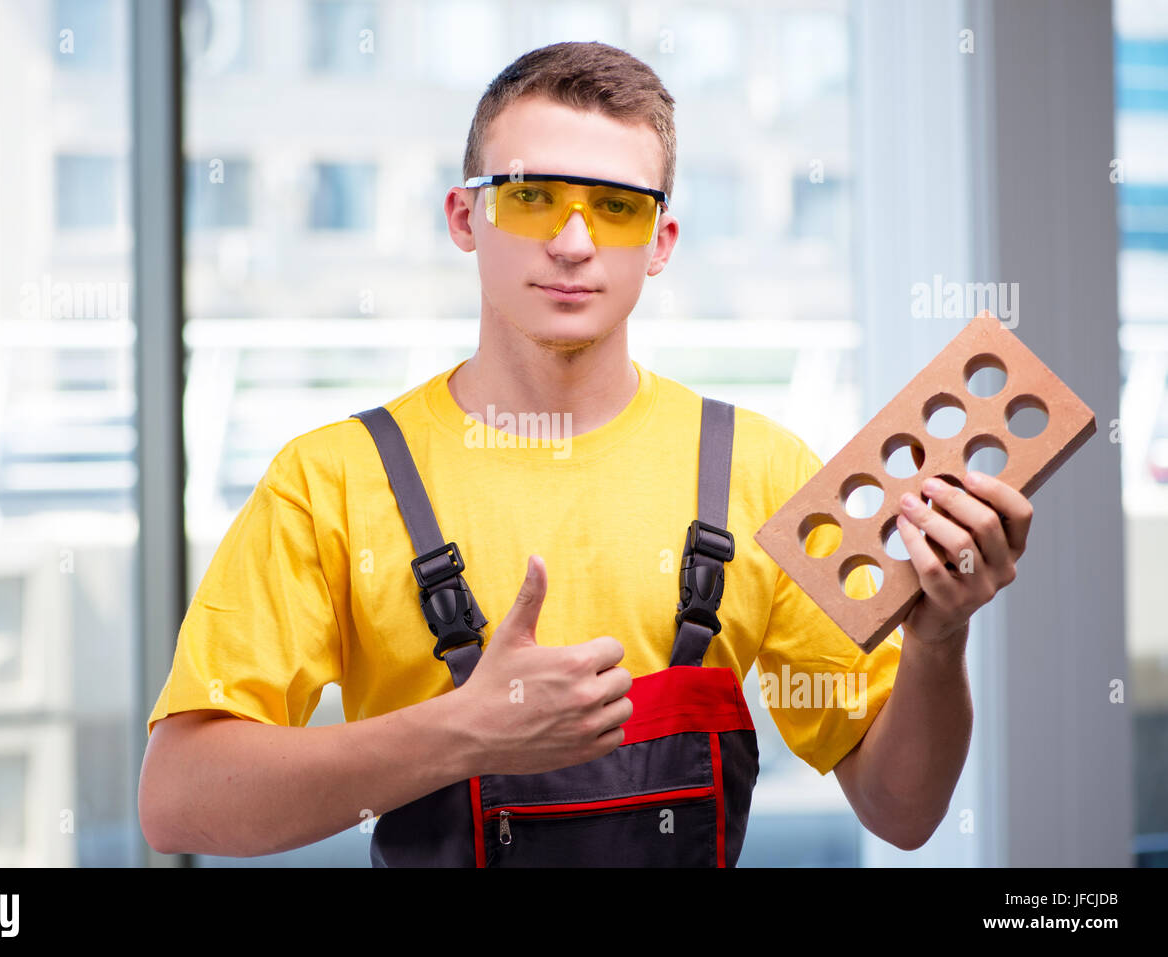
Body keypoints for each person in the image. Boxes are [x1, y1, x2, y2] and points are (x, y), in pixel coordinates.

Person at [137, 41, 1033, 861]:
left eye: (614, 209)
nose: (572, 242)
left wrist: (938, 641)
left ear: (661, 243)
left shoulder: (760, 474)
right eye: (532, 197)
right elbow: (179, 800)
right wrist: (466, 730)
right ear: (464, 216)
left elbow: (901, 809)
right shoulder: (334, 480)